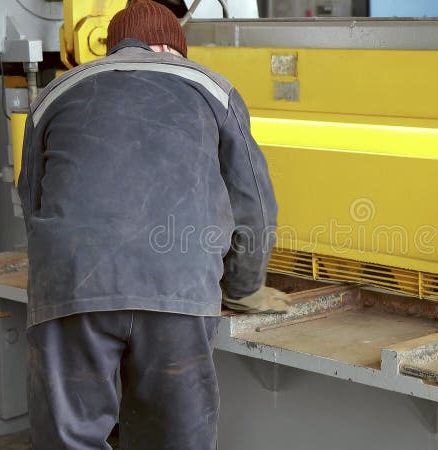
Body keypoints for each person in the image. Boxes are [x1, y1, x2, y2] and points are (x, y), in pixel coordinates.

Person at [18, 1, 289, 448]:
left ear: (112, 47)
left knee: (70, 439)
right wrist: (241, 288)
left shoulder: (53, 93)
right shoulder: (212, 89)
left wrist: (62, 272)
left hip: (71, 288)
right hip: (177, 288)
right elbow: (255, 204)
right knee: (175, 437)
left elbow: (32, 198)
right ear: (171, 48)